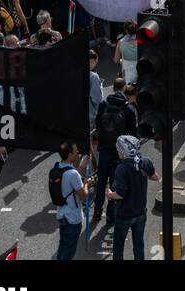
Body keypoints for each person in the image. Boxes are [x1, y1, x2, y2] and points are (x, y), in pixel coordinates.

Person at [93, 78, 138, 227]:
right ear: (124, 88)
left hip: (104, 149)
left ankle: (97, 211)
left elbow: (98, 125)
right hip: (120, 153)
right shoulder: (128, 109)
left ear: (113, 88)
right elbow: (133, 135)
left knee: (101, 182)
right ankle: (110, 217)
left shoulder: (103, 105)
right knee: (114, 184)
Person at [107, 134, 158, 261]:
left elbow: (120, 194)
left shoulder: (121, 168)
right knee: (139, 246)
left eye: (118, 149)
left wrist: (109, 194)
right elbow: (155, 177)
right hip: (140, 212)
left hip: (124, 214)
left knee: (118, 247)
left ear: (123, 151)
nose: (117, 152)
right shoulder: (144, 161)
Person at [53, 139, 89, 262]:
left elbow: (67, 182)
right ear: (69, 155)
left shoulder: (57, 167)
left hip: (61, 214)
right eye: (75, 151)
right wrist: (87, 184)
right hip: (73, 217)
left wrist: (80, 170)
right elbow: (83, 196)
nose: (78, 152)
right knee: (69, 252)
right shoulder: (73, 174)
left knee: (63, 245)